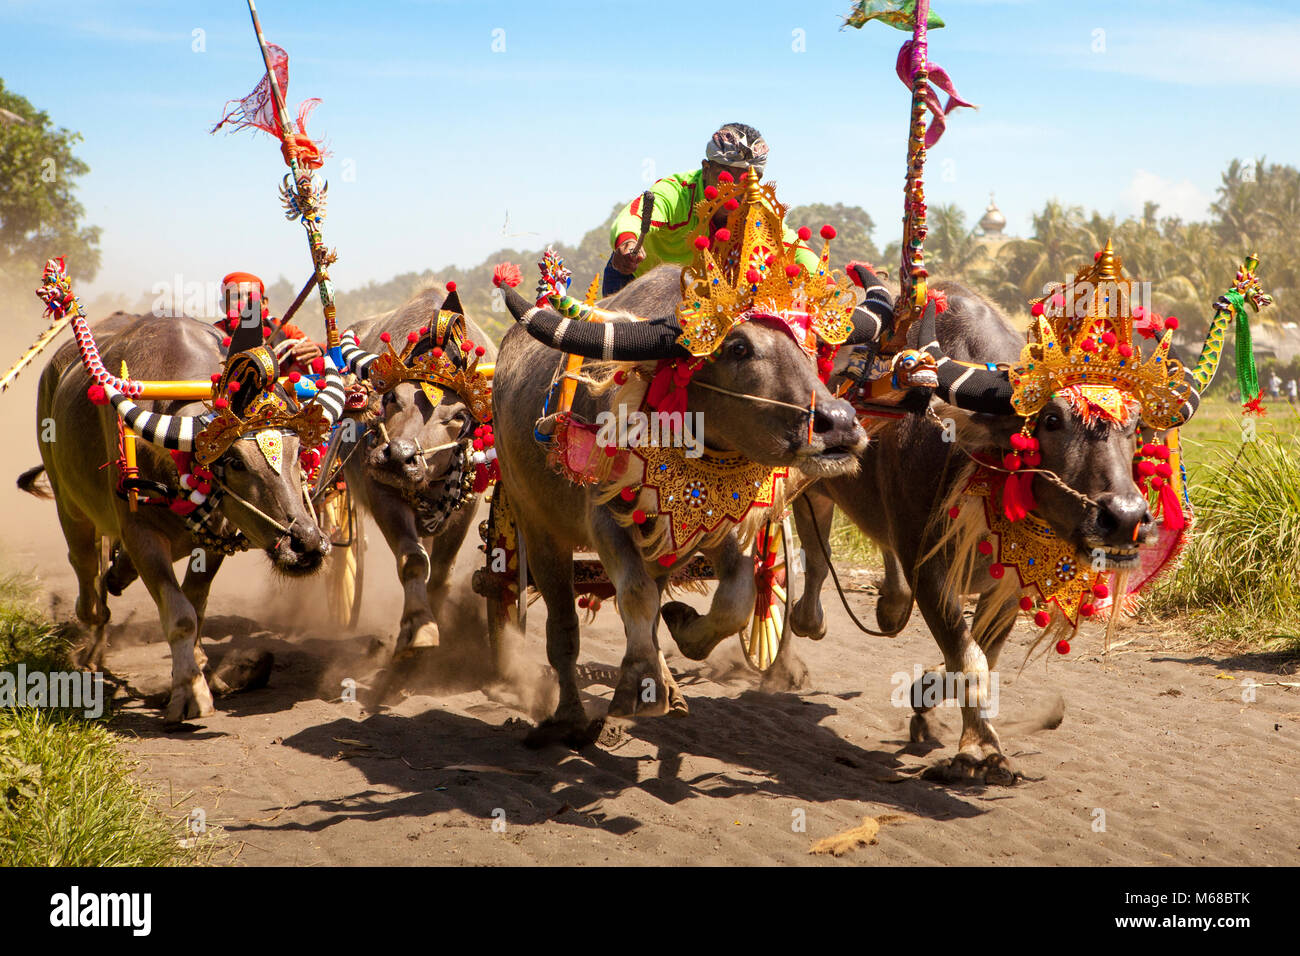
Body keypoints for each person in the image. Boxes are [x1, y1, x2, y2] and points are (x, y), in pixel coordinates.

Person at [603, 122, 818, 295]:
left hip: (702, 296)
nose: (732, 189)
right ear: (706, 169)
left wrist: (824, 283)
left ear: (758, 180)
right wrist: (628, 243)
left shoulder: (759, 208)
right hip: (634, 280)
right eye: (723, 176)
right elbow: (634, 216)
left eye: (743, 180)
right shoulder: (677, 191)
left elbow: (793, 248)